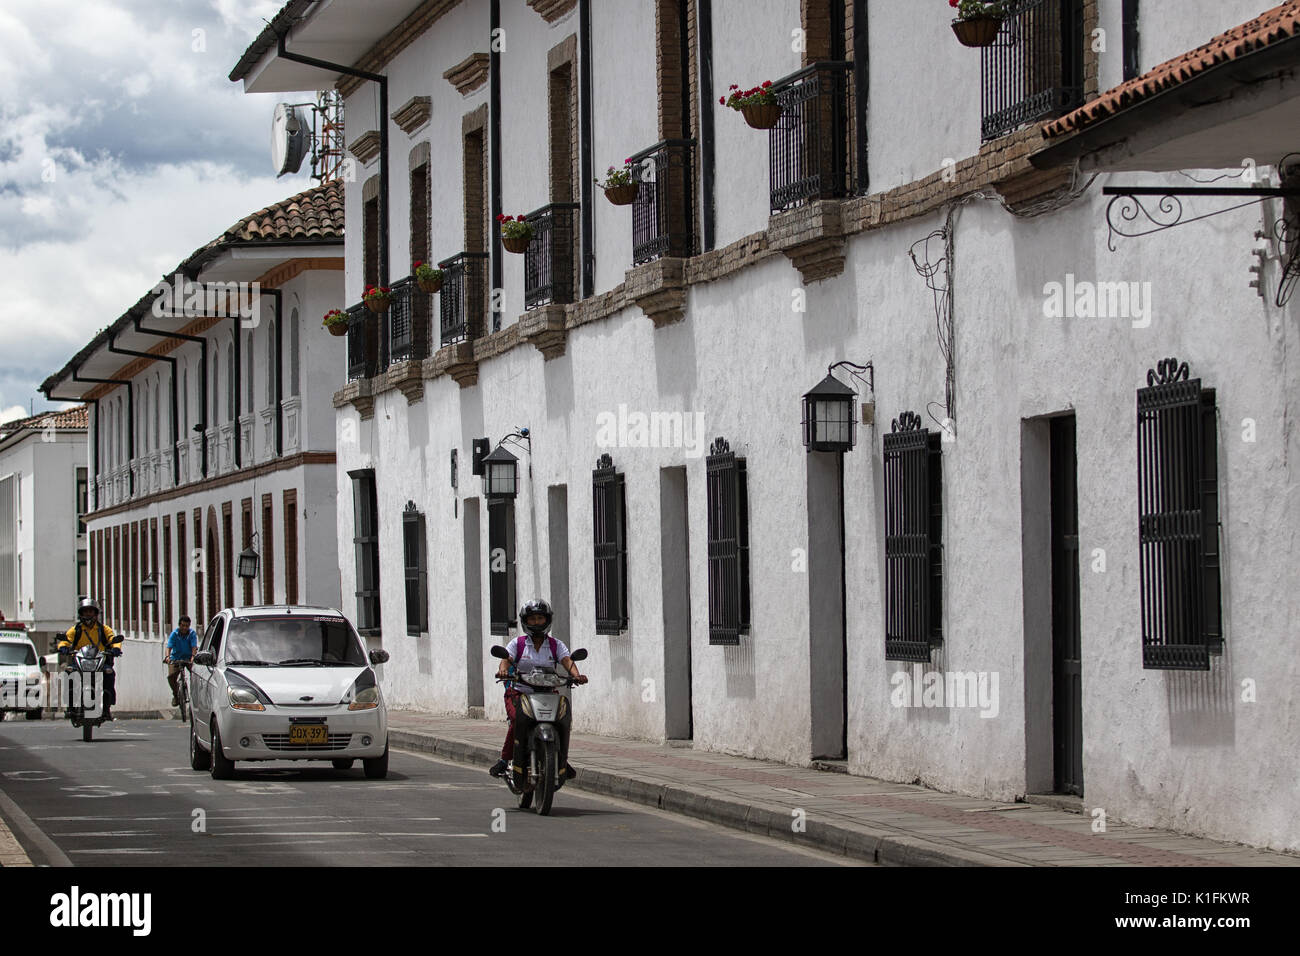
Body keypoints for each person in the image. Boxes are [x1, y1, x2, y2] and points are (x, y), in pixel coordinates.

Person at [489, 598, 587, 780]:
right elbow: (506, 659)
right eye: (532, 619)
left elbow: (567, 661)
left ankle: (561, 759)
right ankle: (505, 760)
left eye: (540, 619)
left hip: (547, 692)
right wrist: (503, 670)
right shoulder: (517, 644)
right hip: (520, 692)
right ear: (525, 621)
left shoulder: (556, 645)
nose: (536, 622)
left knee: (562, 719)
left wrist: (577, 675)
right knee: (518, 719)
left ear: (547, 620)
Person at [58, 598, 121, 721]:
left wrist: (116, 648)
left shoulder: (104, 629)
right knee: (68, 673)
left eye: (90, 612)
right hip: (80, 662)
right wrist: (63, 647)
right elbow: (65, 639)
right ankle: (70, 707)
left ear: (96, 613)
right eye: (85, 612)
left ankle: (107, 707)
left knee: (109, 673)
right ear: (81, 614)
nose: (88, 614)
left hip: (99, 662)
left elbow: (112, 639)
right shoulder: (76, 629)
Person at [164, 615, 198, 706]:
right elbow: (169, 647)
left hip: (188, 658)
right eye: (183, 625)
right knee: (171, 677)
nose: (184, 628)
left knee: (196, 674)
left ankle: (197, 695)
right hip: (176, 658)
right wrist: (167, 657)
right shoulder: (174, 634)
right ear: (179, 625)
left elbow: (194, 646)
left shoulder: (192, 634)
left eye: (187, 626)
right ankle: (176, 695)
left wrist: (193, 656)